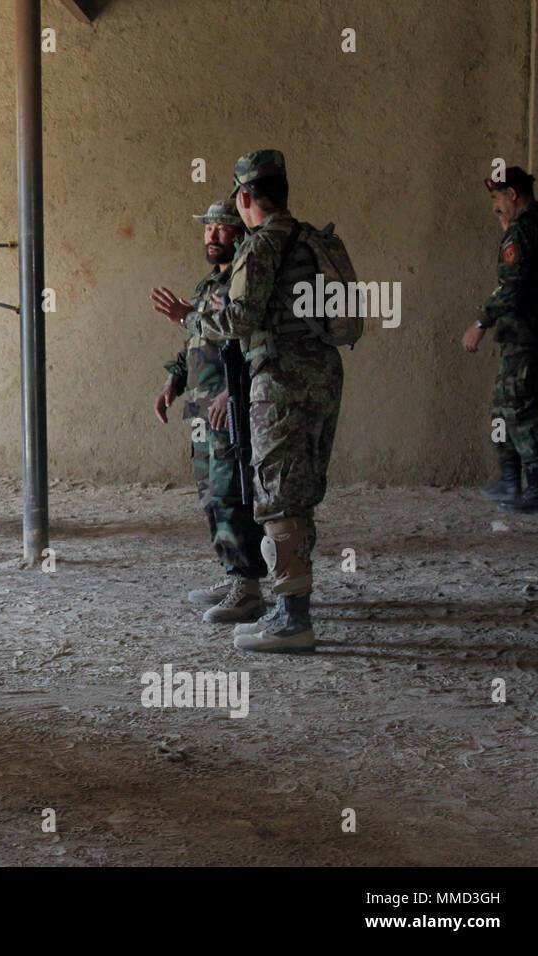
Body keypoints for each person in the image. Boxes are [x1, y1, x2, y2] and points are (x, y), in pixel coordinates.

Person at [195, 150, 343, 652]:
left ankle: (292, 621)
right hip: (321, 374)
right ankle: (288, 607)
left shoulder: (262, 245)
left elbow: (239, 319)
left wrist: (192, 320)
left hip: (280, 380)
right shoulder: (307, 240)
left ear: (243, 198)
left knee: (278, 496)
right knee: (298, 493)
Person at [151, 198, 267, 624]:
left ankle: (249, 585)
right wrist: (172, 384)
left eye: (222, 228)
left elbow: (250, 344)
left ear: (241, 233)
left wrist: (233, 393)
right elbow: (194, 346)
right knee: (211, 497)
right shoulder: (208, 287)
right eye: (208, 229)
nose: (212, 236)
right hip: (201, 409)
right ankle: (233, 572)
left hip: (227, 406)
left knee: (233, 493)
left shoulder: (242, 283)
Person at [461, 167, 538, 512]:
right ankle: (510, 481)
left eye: (498, 198)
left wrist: (481, 322)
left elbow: (512, 285)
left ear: (513, 194)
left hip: (526, 332)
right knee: (503, 404)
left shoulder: (523, 230)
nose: (495, 206)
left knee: (519, 408)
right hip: (534, 331)